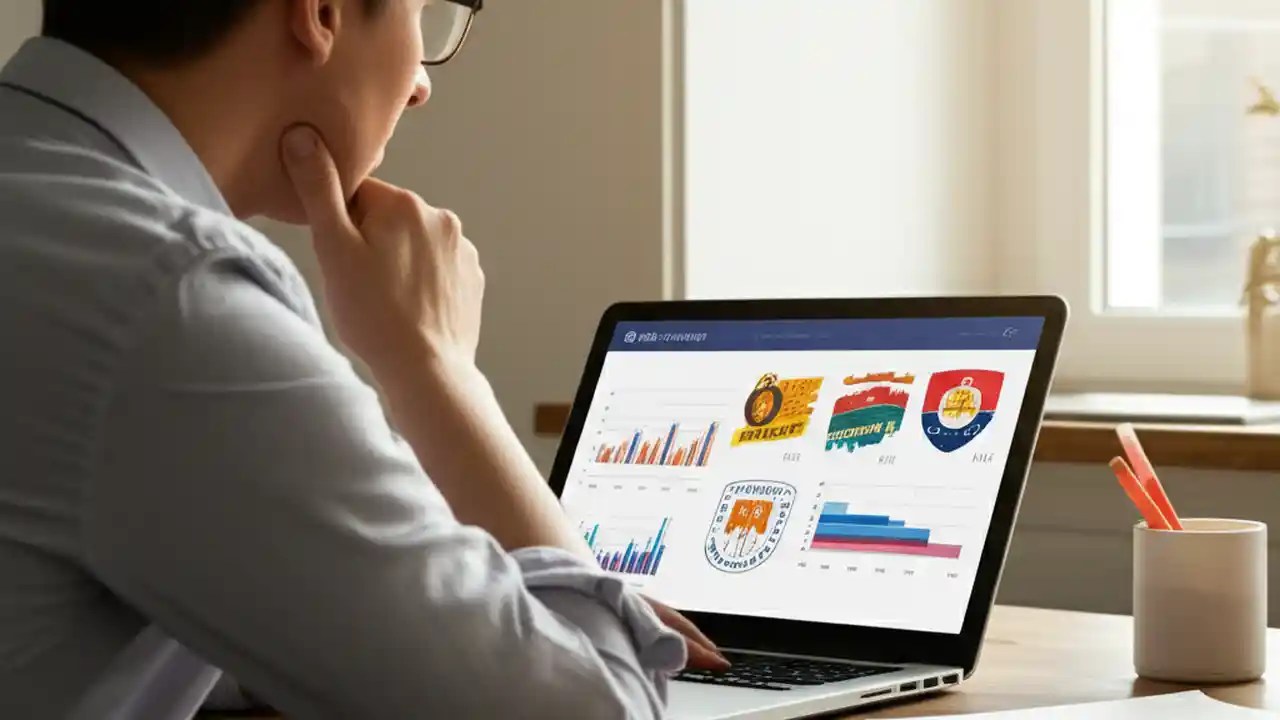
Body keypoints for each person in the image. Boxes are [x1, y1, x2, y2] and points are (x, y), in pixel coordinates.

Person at [0, 1, 727, 717]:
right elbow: (605, 712)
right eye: (423, 13)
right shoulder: (165, 298)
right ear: (320, 12)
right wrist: (436, 367)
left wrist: (388, 620)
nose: (421, 83)